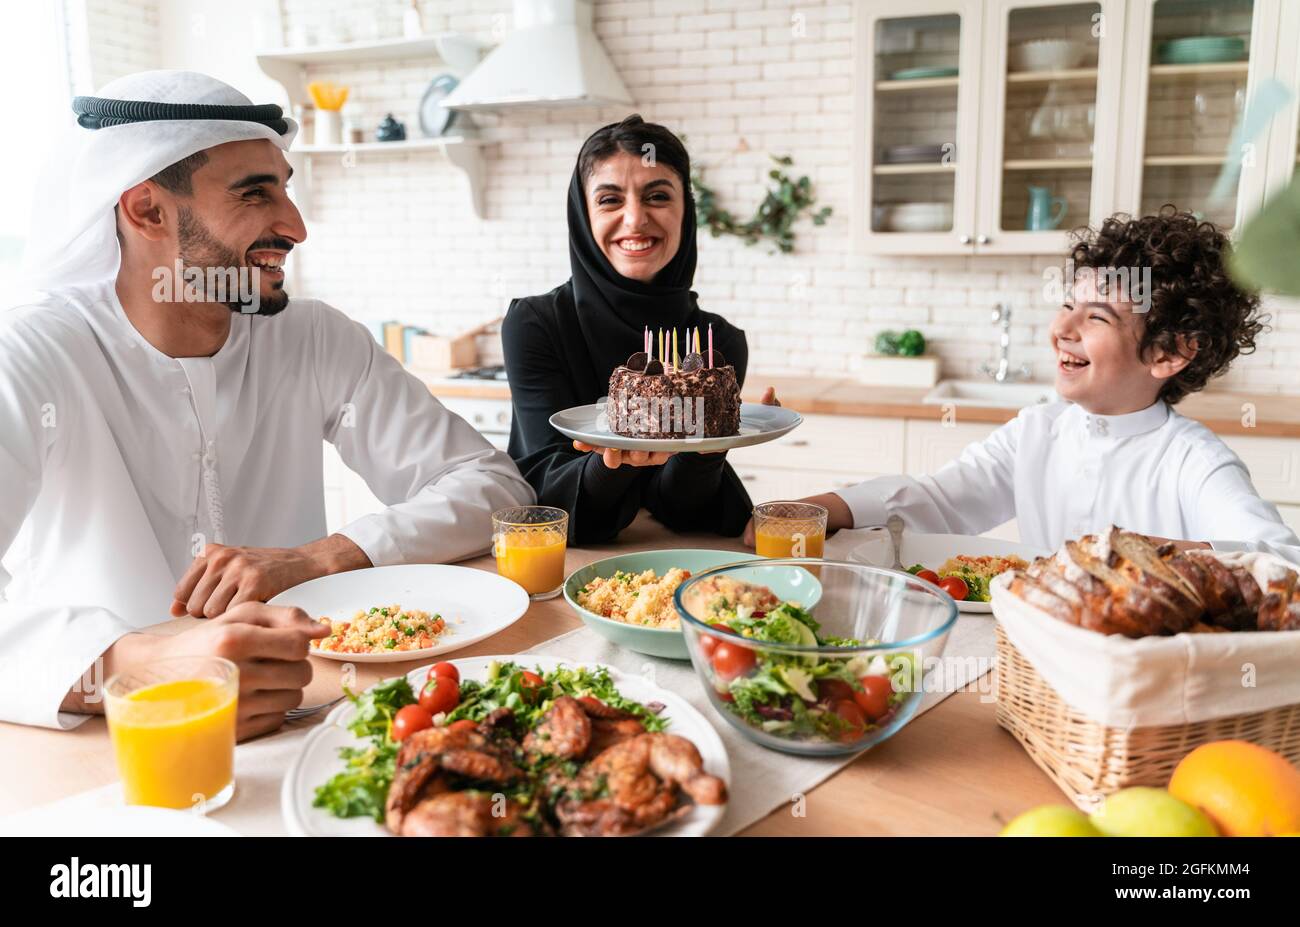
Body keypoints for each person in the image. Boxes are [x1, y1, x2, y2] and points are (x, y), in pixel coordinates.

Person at [0, 71, 534, 733]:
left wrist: (319, 558)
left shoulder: (311, 336)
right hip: (104, 752)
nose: (296, 226)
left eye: (286, 187)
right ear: (147, 211)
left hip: (308, 721)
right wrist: (135, 668)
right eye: (256, 194)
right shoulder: (30, 354)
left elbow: (495, 491)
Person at [745, 208, 1300, 564]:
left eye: (1097, 318)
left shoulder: (1194, 461)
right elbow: (941, 500)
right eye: (1066, 306)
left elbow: (1277, 557)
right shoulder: (1038, 430)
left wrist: (1132, 553)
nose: (1062, 329)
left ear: (1170, 352)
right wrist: (818, 509)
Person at [502, 115, 777, 544]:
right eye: (610, 199)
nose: (634, 219)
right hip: (555, 559)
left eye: (657, 196)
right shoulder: (537, 324)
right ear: (582, 213)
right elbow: (543, 485)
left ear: (685, 209)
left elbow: (684, 506)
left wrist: (708, 451)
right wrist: (610, 464)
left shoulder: (715, 346)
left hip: (677, 559)